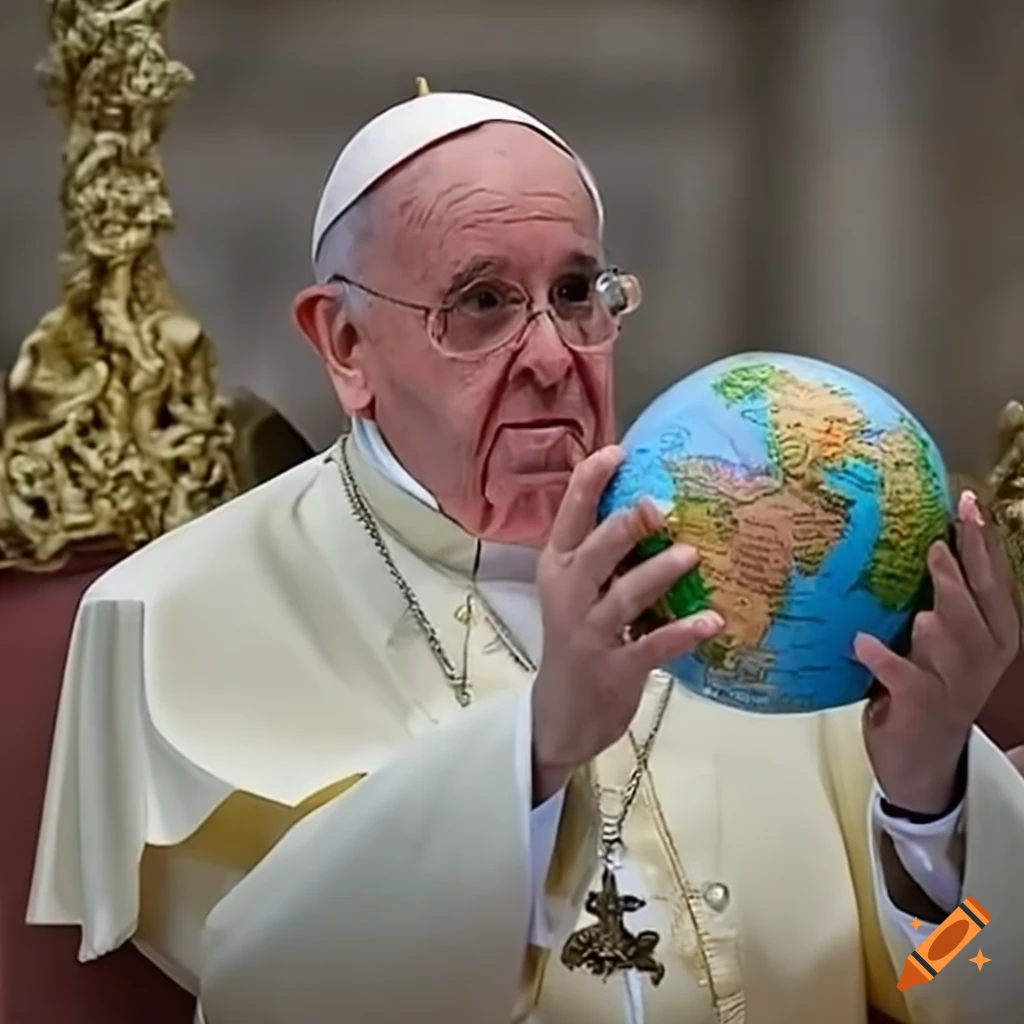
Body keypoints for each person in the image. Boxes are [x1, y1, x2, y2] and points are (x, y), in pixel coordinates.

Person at [27, 84, 1024, 1024]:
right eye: (482, 303)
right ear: (344, 345)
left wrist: (927, 804)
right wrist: (535, 751)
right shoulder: (177, 613)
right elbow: (268, 998)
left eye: (578, 292)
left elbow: (968, 983)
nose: (552, 357)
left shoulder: (786, 564)